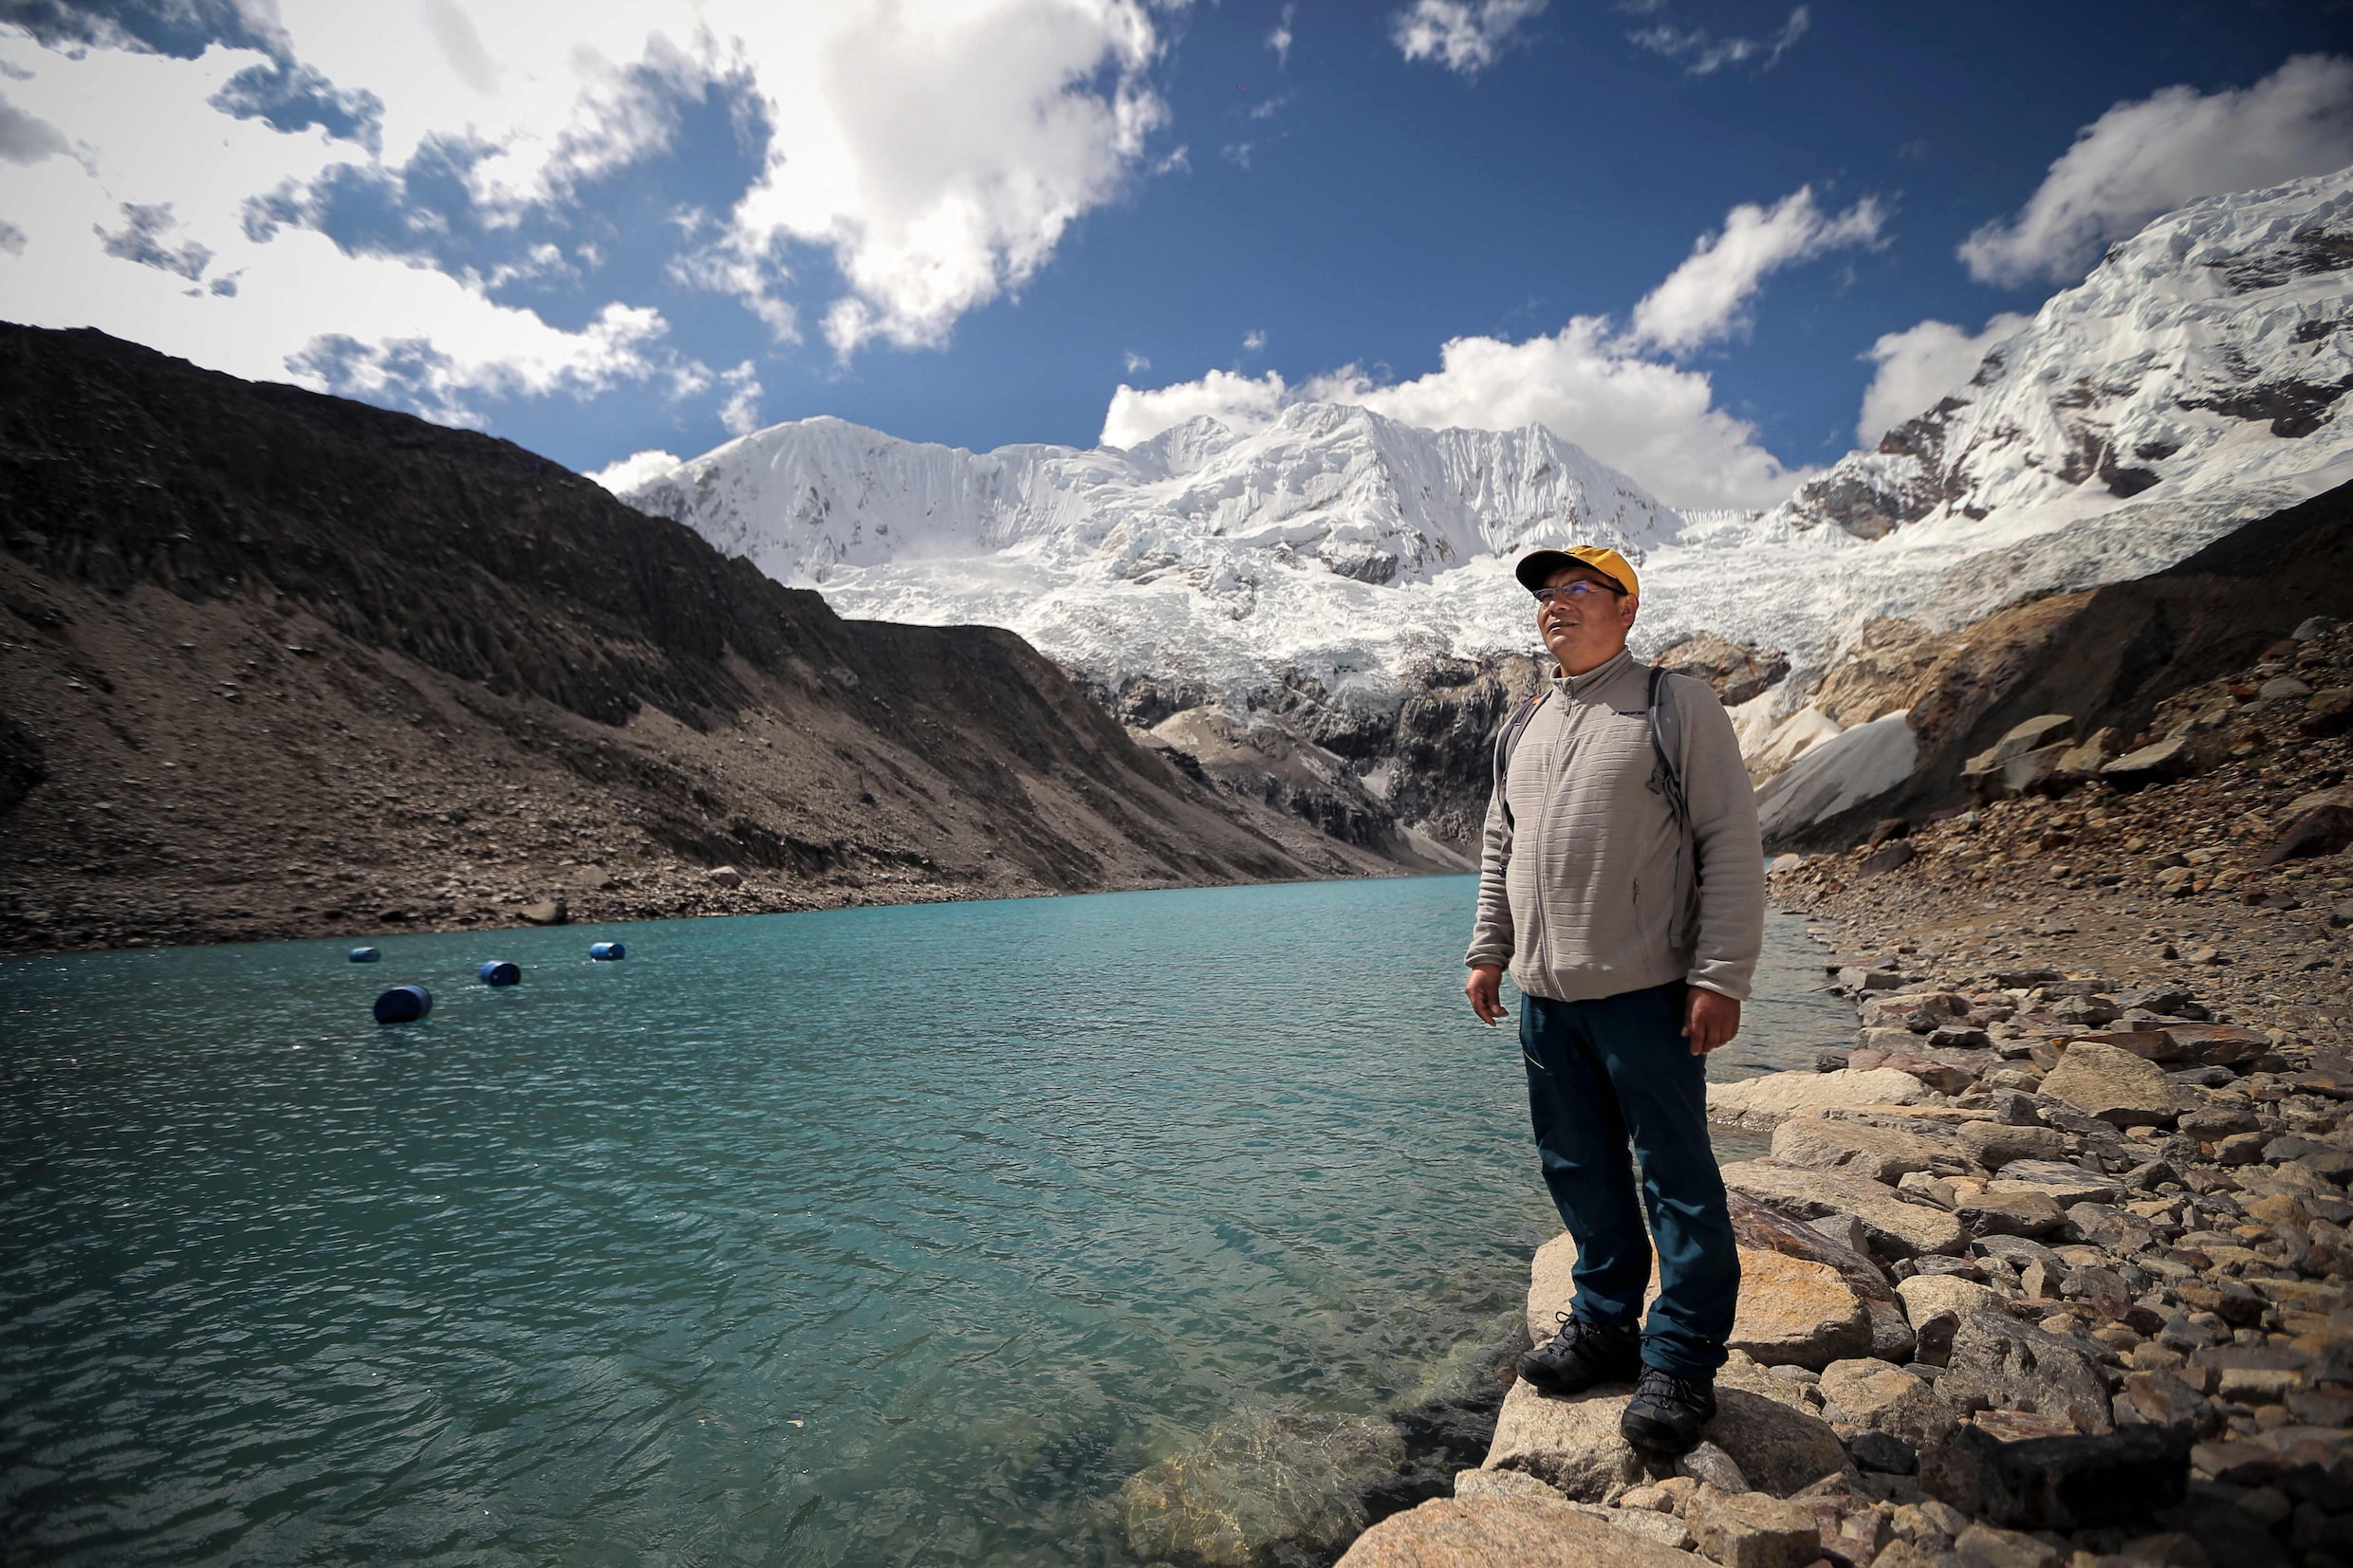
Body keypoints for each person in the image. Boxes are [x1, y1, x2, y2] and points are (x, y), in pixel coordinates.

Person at [1462, 544, 1764, 1455]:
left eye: (1577, 589)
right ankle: (1603, 1323)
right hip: (1547, 998)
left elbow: (1728, 840)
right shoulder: (1524, 726)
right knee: (1578, 1167)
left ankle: (1680, 1359)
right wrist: (1489, 949)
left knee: (1675, 1176)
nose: (1555, 605)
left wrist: (1721, 975)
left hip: (1647, 993)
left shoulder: (1674, 704)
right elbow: (1498, 845)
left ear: (1627, 608)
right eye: (1545, 595)